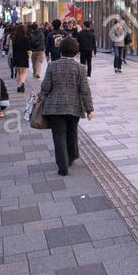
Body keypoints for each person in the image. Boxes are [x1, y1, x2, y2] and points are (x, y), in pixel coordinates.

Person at [40, 36, 94, 176]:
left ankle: (63, 166)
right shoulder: (81, 68)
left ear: (60, 51)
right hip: (74, 107)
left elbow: (45, 87)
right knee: (72, 132)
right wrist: (89, 109)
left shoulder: (52, 65)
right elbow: (85, 90)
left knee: (59, 136)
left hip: (54, 108)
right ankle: (71, 157)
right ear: (77, 52)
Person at [9, 23, 30, 93]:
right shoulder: (26, 38)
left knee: (18, 72)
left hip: (16, 57)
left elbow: (13, 48)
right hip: (24, 56)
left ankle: (18, 86)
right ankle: (22, 83)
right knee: (23, 72)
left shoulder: (14, 38)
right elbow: (28, 48)